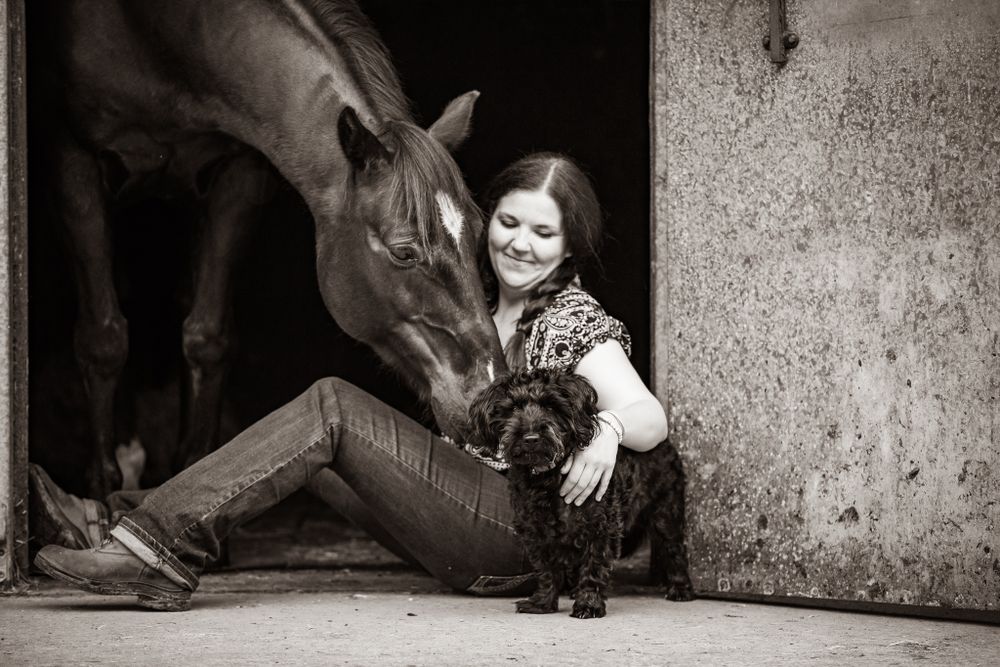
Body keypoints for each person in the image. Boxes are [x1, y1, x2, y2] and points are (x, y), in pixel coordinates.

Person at [33, 152, 669, 611]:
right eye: (508, 222)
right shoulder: (477, 304)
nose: (519, 244)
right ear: (483, 221)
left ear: (567, 249)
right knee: (320, 459)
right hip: (470, 532)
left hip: (521, 534)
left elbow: (650, 416)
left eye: (542, 232)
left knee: (332, 407)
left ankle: (155, 550)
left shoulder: (570, 315)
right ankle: (114, 522)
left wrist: (610, 430)